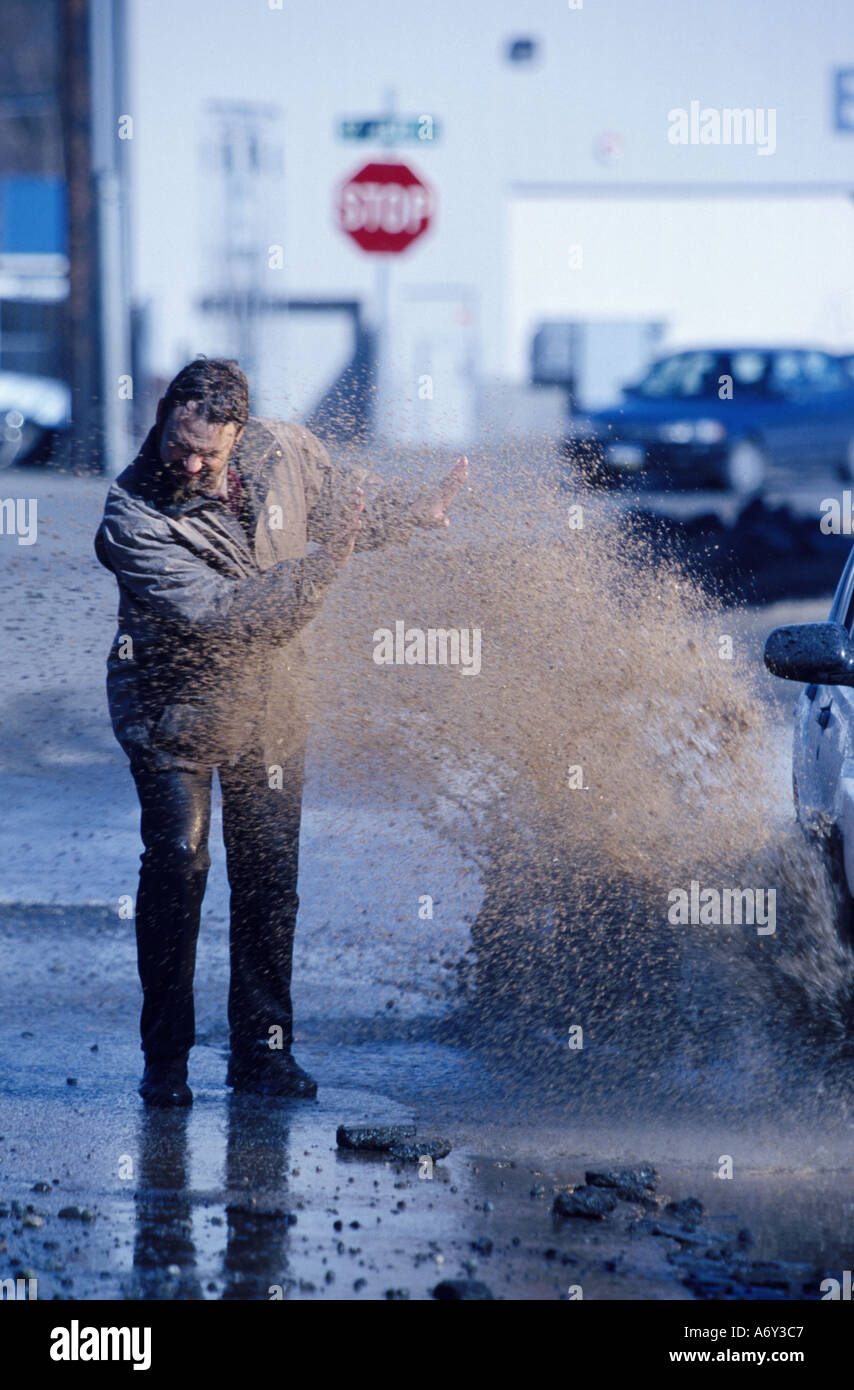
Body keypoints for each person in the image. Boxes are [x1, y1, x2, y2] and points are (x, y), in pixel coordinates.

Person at [94, 357, 468, 1106]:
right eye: (179, 445)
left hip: (271, 697)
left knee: (268, 876)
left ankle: (262, 1056)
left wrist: (413, 512)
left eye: (209, 452)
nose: (191, 464)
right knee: (179, 860)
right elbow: (236, 616)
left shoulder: (283, 449)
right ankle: (165, 1060)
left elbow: (337, 512)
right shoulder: (130, 516)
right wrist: (327, 568)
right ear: (164, 416)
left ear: (241, 434)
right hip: (174, 705)